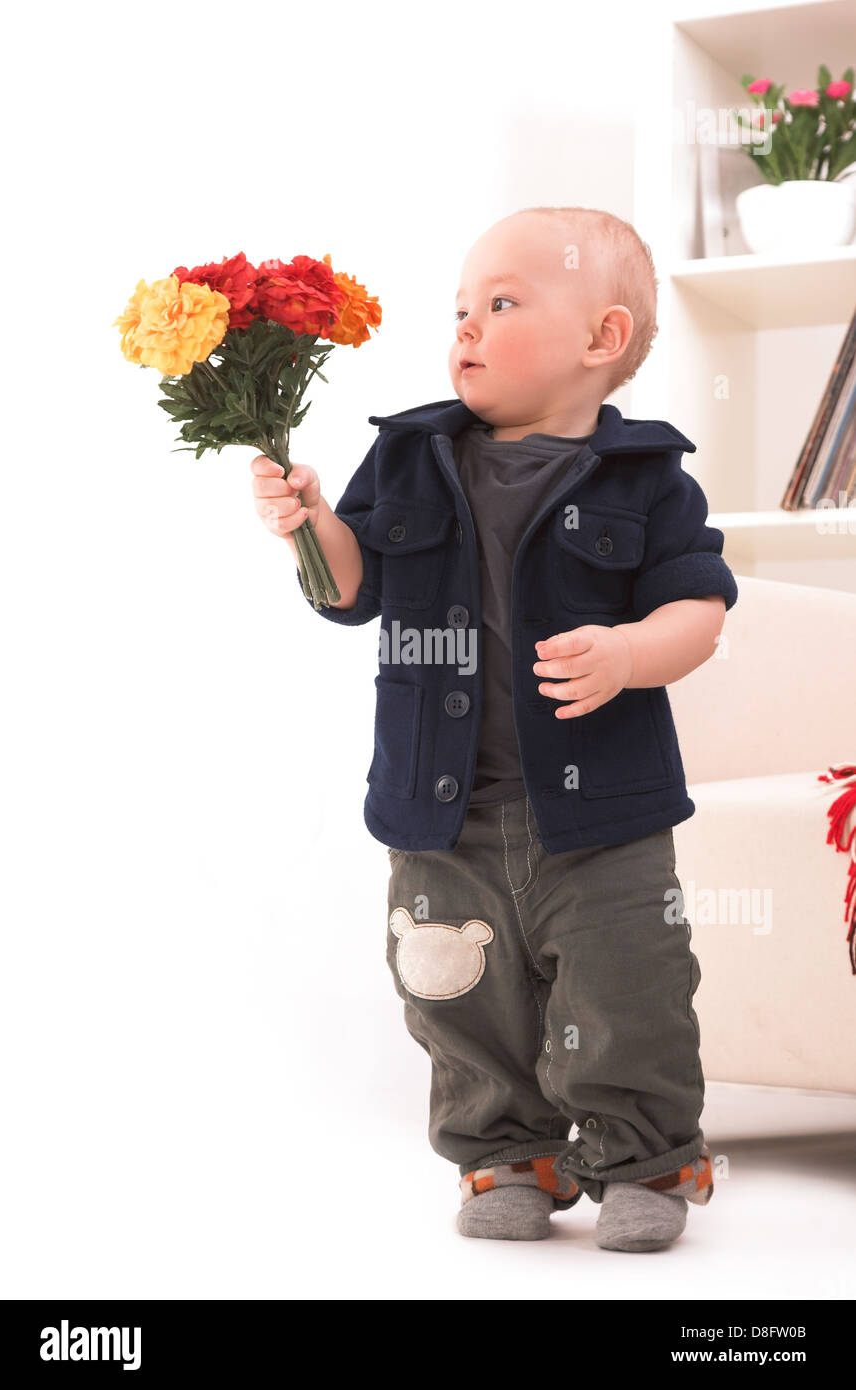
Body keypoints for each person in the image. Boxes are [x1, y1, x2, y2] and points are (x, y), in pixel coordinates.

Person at [251, 207, 737, 1250]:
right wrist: (313, 522)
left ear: (599, 341)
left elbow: (698, 609)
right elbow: (355, 590)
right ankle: (505, 1152)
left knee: (626, 985)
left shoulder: (646, 477)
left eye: (500, 304)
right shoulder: (415, 453)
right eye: (459, 309)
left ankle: (645, 1154)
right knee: (455, 988)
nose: (464, 326)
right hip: (444, 806)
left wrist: (627, 654)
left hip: (600, 812)